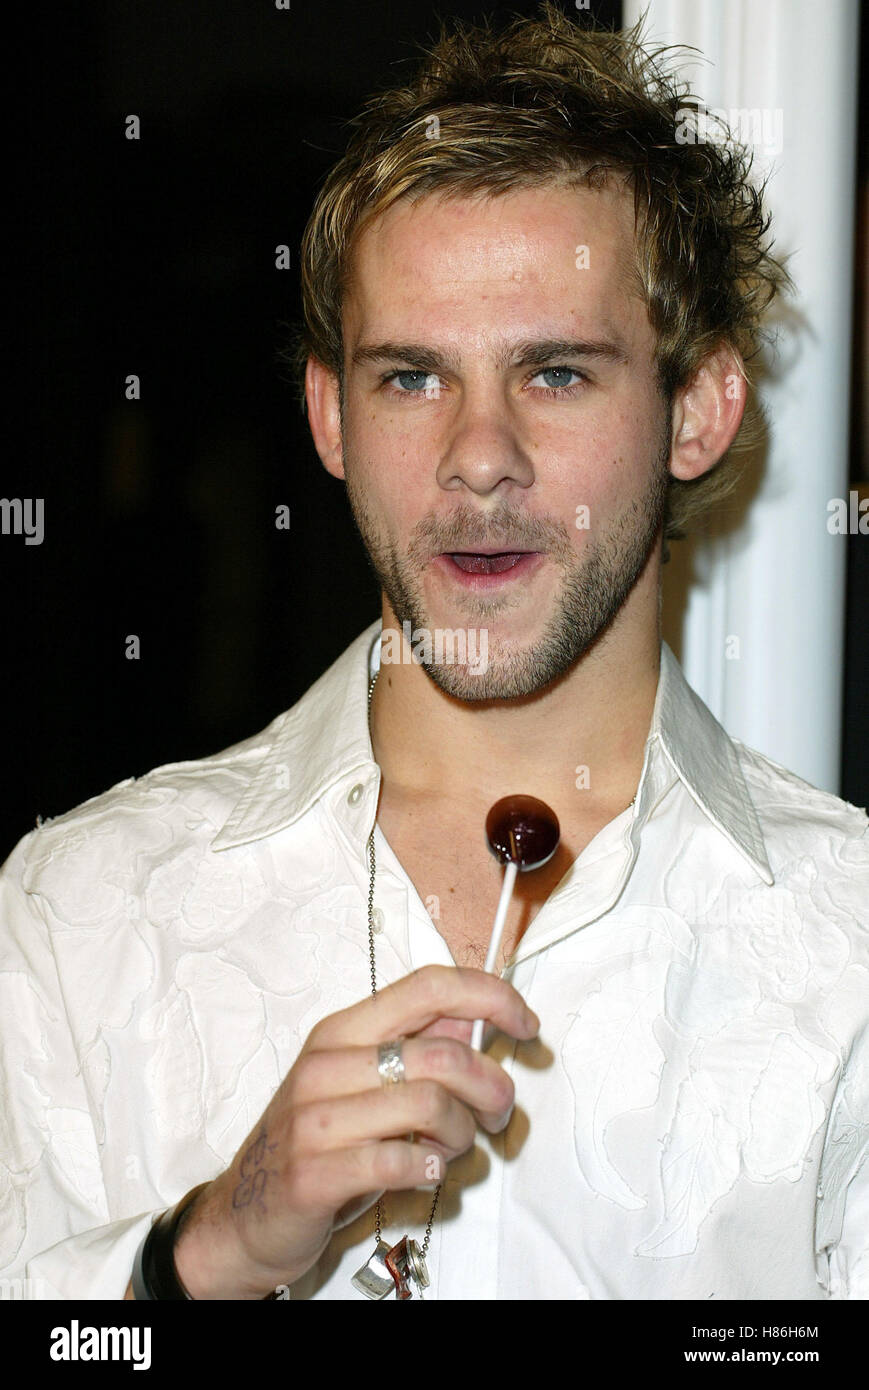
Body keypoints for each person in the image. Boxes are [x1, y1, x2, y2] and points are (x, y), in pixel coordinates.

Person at [1, 3, 866, 1302]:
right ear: (329, 414)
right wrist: (206, 1253)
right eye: (410, 377)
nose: (475, 455)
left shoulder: (848, 947)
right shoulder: (81, 911)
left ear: (696, 409)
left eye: (555, 373)